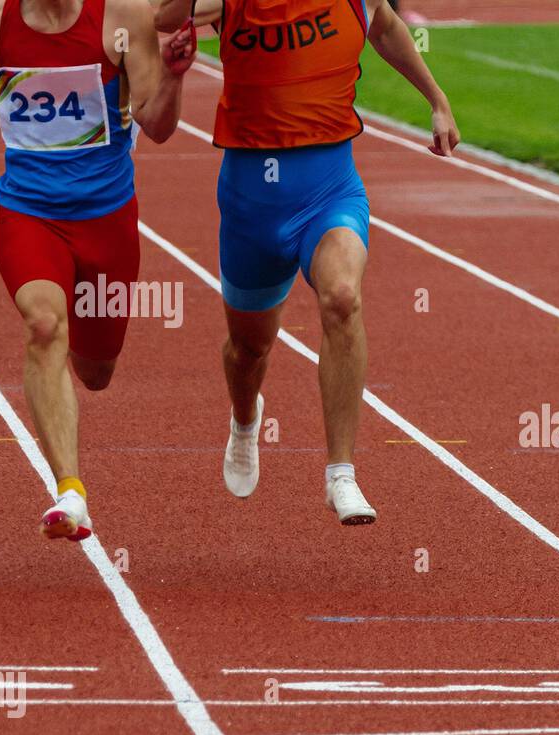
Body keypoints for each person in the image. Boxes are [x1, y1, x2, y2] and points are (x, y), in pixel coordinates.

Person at [155, 0, 460, 525]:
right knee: (250, 347)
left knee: (342, 297)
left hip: (328, 188)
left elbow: (385, 27)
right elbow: (163, 16)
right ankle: (246, 421)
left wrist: (436, 99)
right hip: (251, 200)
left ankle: (340, 474)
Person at [0, 0, 194, 540]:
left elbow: (155, 127)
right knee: (43, 326)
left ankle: (74, 462)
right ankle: (70, 491)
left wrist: (175, 77)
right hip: (27, 211)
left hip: (106, 218)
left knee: (95, 371)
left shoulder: (124, 21)